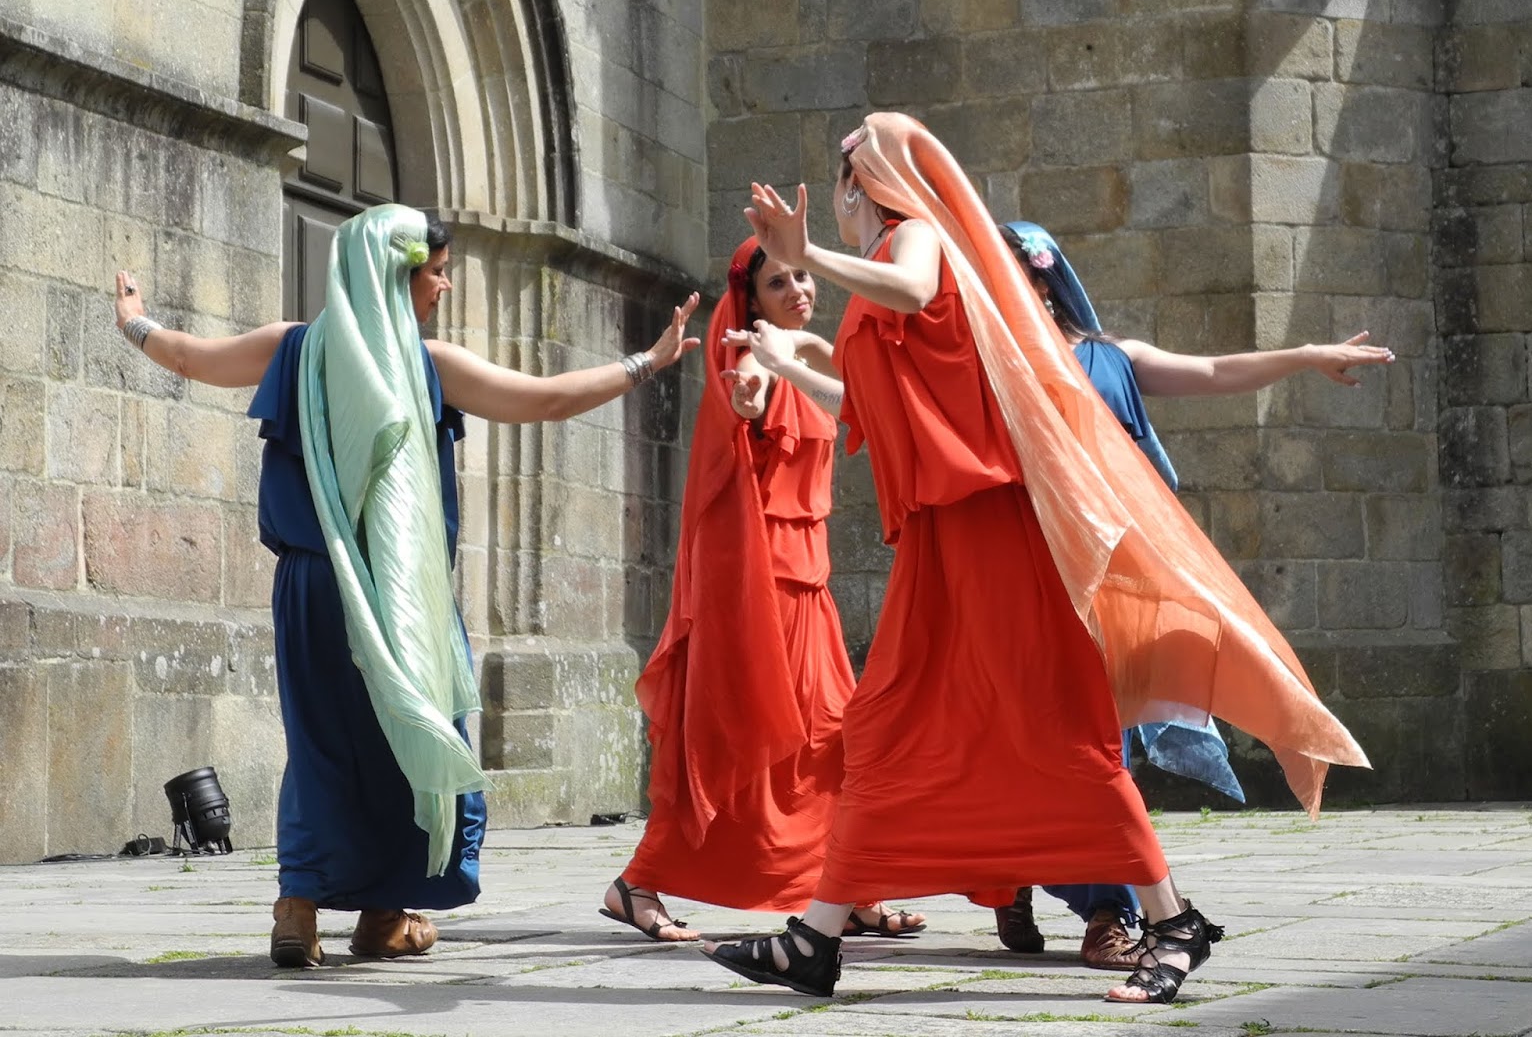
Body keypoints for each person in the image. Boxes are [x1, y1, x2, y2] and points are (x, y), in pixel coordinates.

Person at [699, 112, 1367, 1006]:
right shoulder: (903, 287)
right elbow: (868, 401)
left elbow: (903, 287)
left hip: (995, 531)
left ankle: (1170, 923)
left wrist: (807, 255)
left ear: (871, 188)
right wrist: (783, 363)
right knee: (885, 727)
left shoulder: (918, 240)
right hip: (945, 538)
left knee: (1058, 729)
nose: (845, 199)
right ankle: (815, 940)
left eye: (847, 183)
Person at [111, 204, 700, 967]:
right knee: (408, 741)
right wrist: (645, 365)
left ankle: (305, 910)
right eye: (435, 272)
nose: (445, 286)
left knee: (323, 746)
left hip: (313, 589)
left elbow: (190, 357)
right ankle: (382, 910)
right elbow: (544, 399)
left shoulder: (293, 348)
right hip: (398, 593)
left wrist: (134, 322)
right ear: (396, 276)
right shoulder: (428, 364)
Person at [989, 219, 1394, 967]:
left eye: (1023, 276)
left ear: (1047, 284)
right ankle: (1011, 872)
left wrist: (1305, 357)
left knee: (1099, 748)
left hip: (1112, 587)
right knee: (1024, 741)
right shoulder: (986, 372)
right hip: (1025, 585)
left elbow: (1210, 372)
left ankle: (1105, 908)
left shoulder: (1109, 359)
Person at [600, 236, 923, 942]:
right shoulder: (756, 359)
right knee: (744, 744)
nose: (799, 290)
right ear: (752, 299)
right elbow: (744, 410)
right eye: (779, 284)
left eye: (803, 276)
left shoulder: (804, 354)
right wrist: (748, 403)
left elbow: (869, 399)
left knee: (831, 747)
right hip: (767, 586)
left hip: (810, 583)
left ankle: (850, 889)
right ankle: (638, 882)